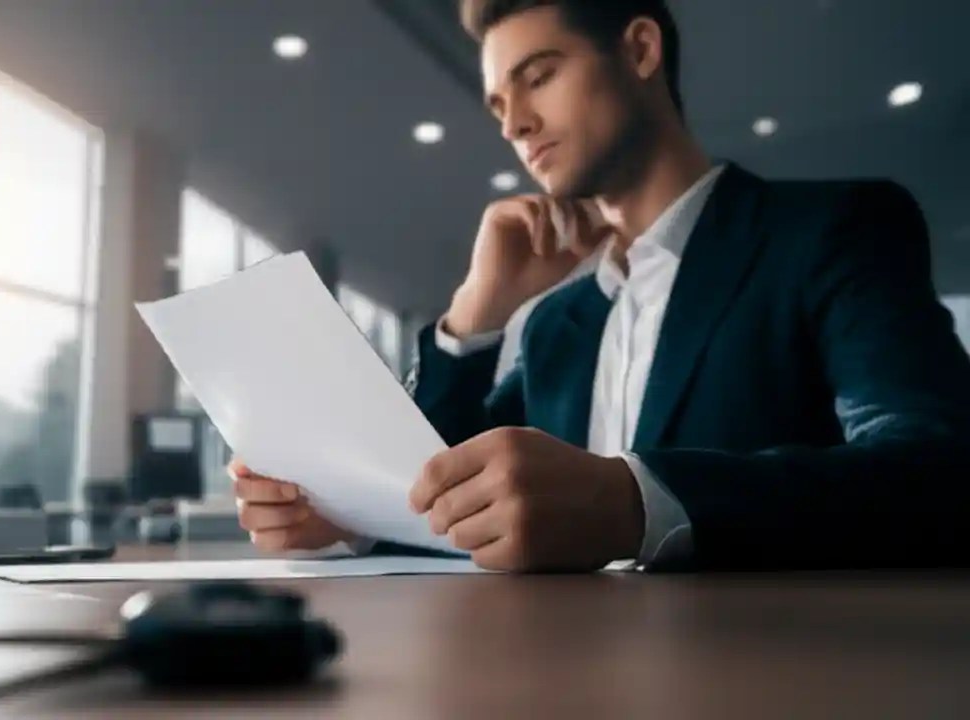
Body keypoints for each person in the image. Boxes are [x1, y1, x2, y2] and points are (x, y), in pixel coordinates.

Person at [231, 0, 970, 572]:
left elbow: (936, 472)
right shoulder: (557, 325)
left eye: (539, 75)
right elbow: (446, 497)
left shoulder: (828, 231)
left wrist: (632, 503)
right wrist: (473, 320)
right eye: (497, 105)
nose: (516, 123)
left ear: (641, 49)